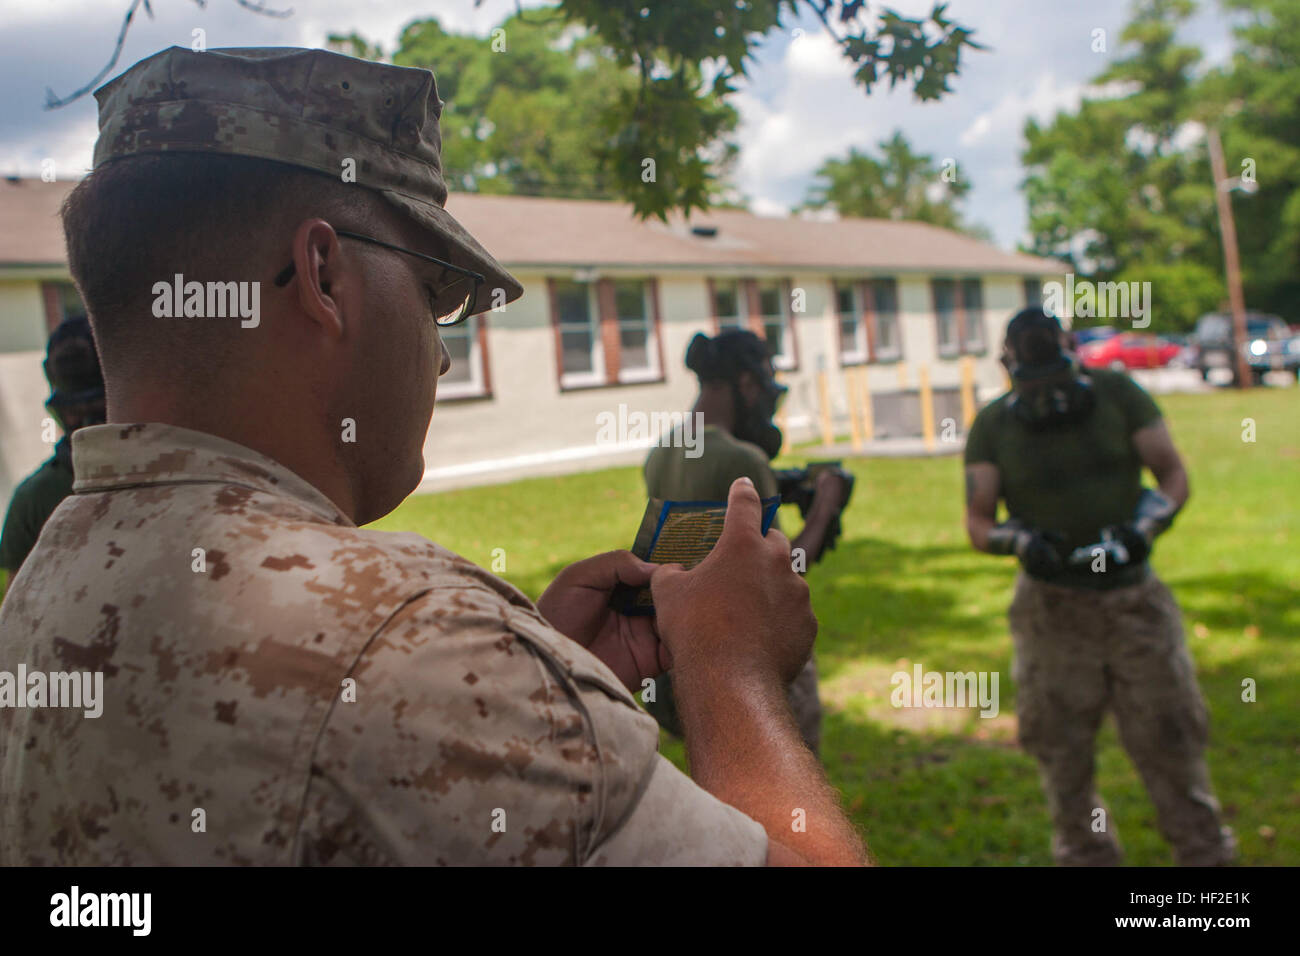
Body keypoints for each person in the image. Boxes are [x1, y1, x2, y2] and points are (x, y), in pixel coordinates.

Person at [0, 46, 867, 867]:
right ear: (324, 277)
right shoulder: (413, 646)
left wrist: (552, 696)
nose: (443, 354)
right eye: (431, 294)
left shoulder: (47, 582)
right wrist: (731, 669)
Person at [963, 307, 1235, 866]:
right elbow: (978, 519)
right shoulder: (994, 425)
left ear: (1073, 349)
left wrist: (1142, 530)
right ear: (1007, 365)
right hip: (1051, 610)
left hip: (1134, 603)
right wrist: (1019, 542)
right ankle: (1086, 856)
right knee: (1062, 755)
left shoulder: (1118, 394)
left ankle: (1207, 873)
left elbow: (1172, 474)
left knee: (1170, 739)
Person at [642, 329, 849, 755]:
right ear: (747, 383)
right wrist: (825, 503)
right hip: (753, 656)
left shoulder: (664, 450)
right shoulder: (743, 460)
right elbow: (786, 568)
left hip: (691, 651)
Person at [0, 317, 106, 599]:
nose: (84, 422)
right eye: (75, 413)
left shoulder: (34, 497)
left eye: (96, 408)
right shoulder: (35, 497)